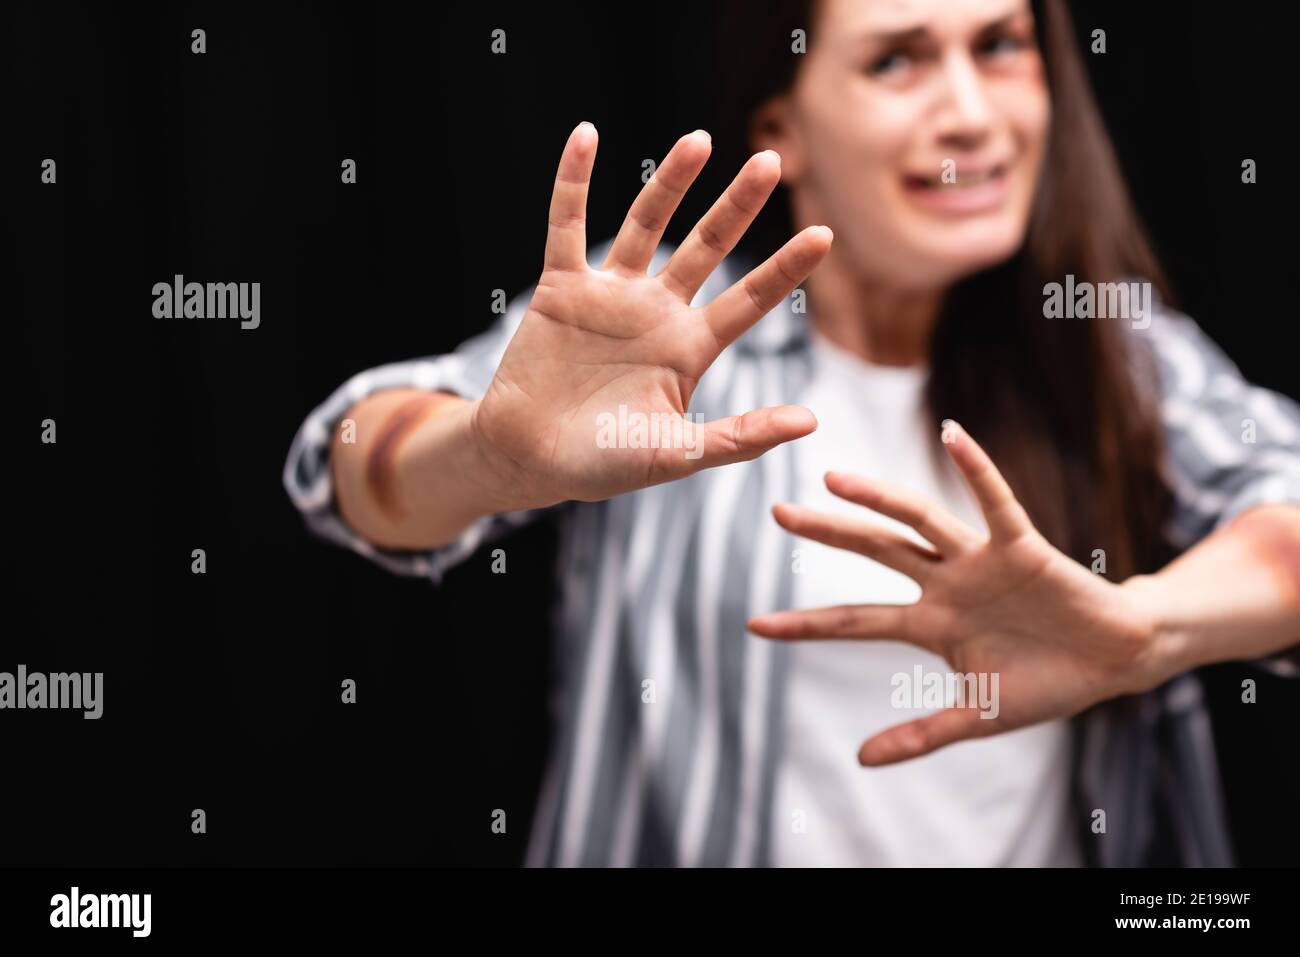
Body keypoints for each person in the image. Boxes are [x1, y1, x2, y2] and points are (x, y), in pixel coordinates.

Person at [284, 0, 1300, 866]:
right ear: (787, 124)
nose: (970, 113)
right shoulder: (652, 334)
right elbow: (342, 466)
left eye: (998, 44)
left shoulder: (1106, 350)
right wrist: (484, 457)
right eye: (896, 60)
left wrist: (1148, 628)